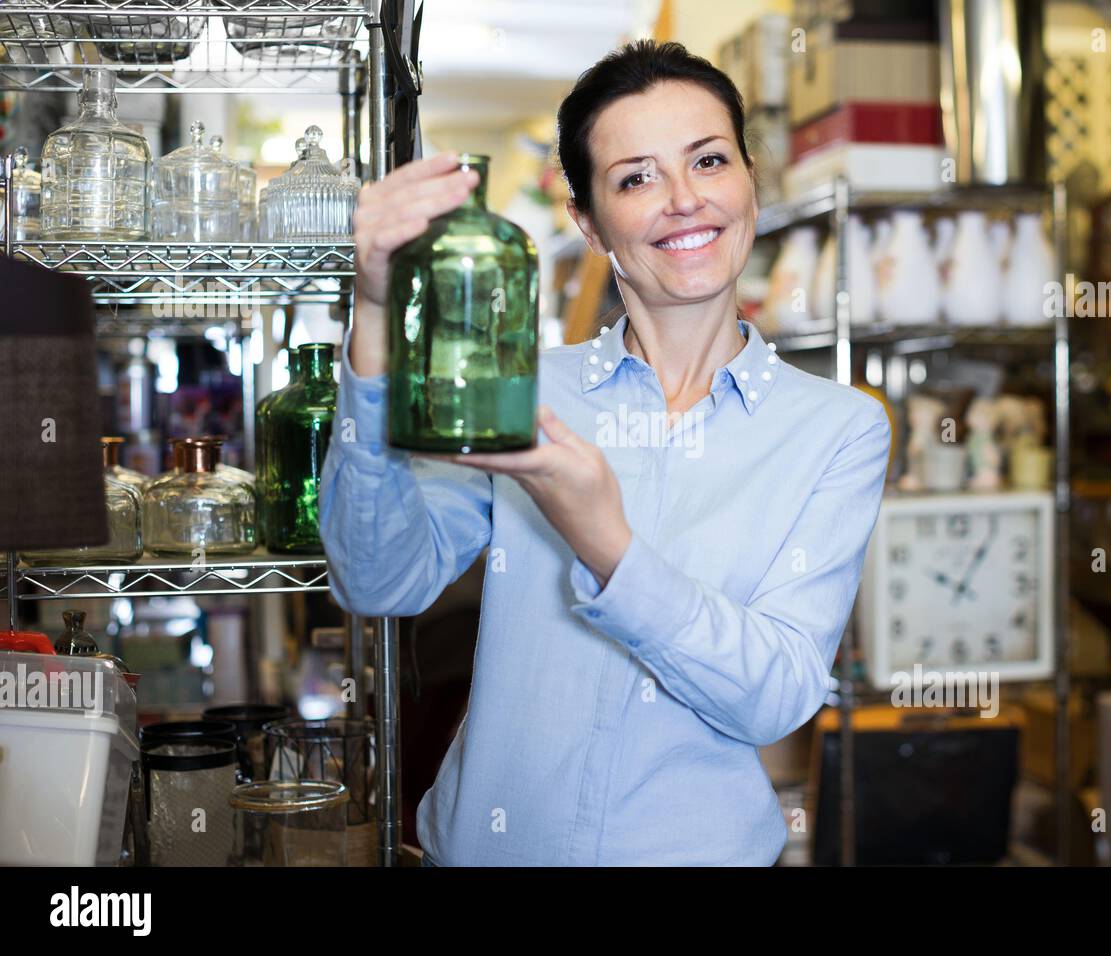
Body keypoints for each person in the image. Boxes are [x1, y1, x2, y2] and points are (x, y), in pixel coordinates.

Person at [320, 39, 890, 866]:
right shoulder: (517, 391)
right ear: (587, 223)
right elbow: (378, 578)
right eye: (636, 177)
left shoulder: (837, 429)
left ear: (750, 183)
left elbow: (779, 697)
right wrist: (373, 310)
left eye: (708, 160)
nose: (685, 200)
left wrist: (604, 541)